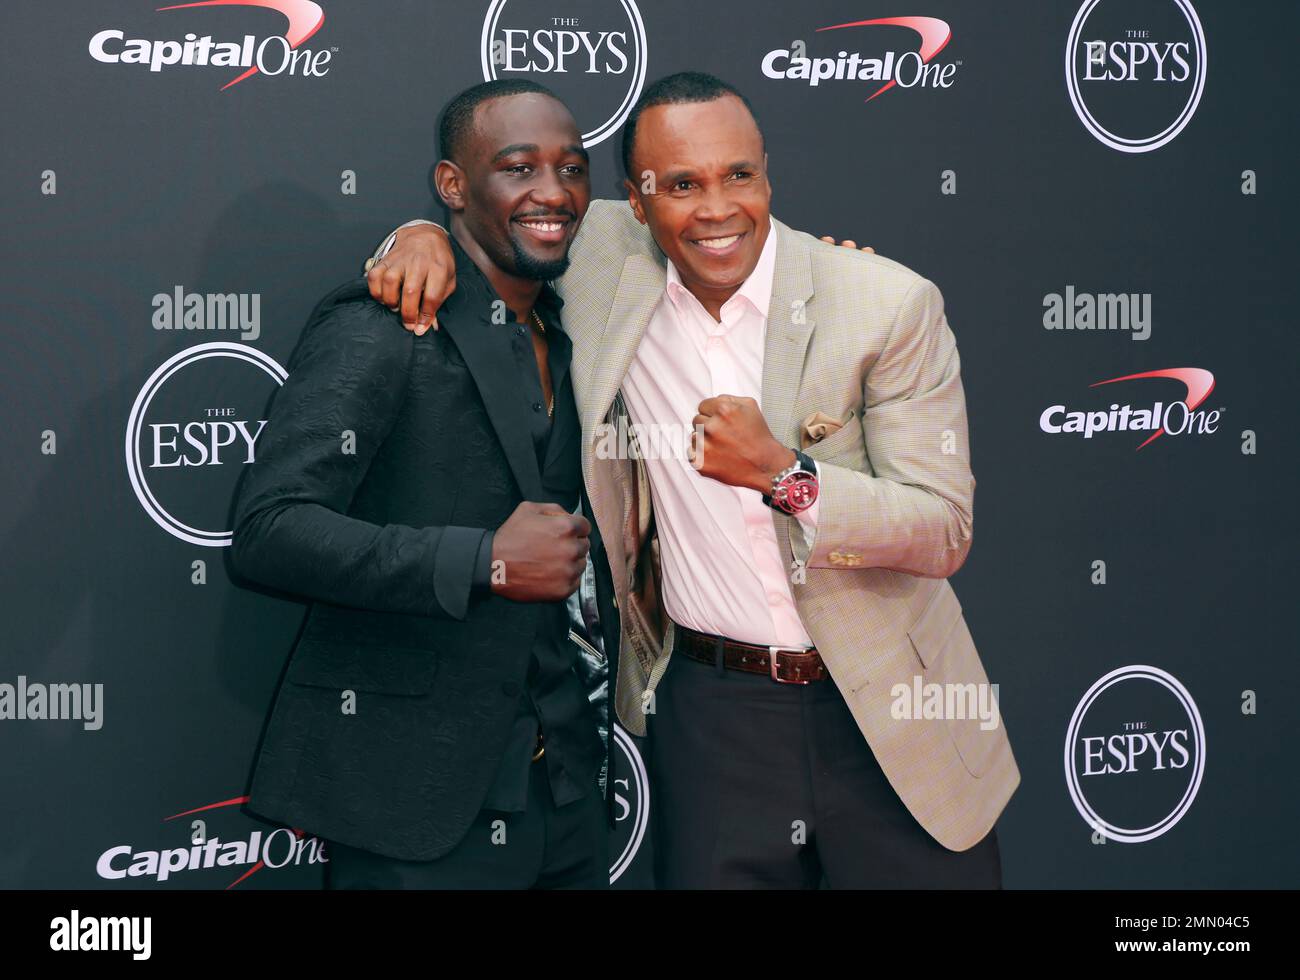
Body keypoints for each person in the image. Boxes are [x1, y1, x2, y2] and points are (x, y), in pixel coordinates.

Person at [366, 71, 1019, 888]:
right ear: (636, 206)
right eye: (681, 185)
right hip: (714, 714)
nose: (717, 209)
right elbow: (500, 221)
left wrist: (787, 474)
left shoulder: (886, 304)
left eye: (738, 175)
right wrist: (416, 236)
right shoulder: (603, 261)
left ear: (767, 173)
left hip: (891, 709)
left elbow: (942, 527)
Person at [229, 79, 615, 888]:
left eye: (573, 169)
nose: (554, 192)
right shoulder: (384, 328)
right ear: (453, 186)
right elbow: (270, 529)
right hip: (416, 806)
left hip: (566, 793)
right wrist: (483, 562)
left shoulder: (573, 329)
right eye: (518, 168)